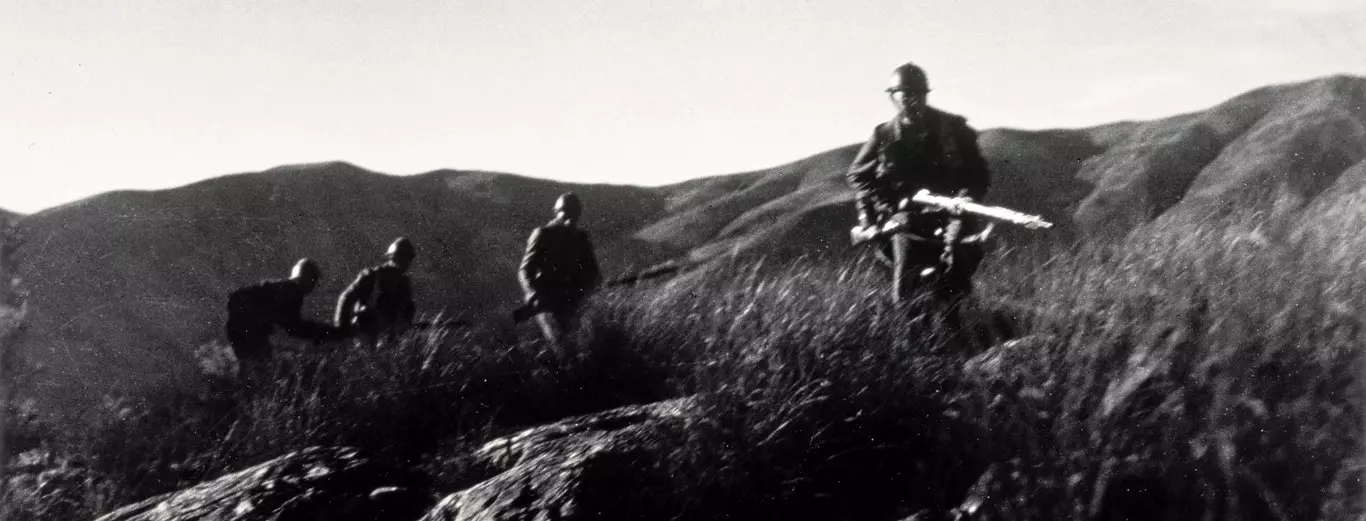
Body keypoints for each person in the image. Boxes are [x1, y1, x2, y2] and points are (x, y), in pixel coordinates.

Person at [846, 62, 993, 304]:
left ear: (925, 95)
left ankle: (961, 323)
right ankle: (907, 330)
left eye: (917, 95)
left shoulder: (954, 129)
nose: (912, 102)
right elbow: (857, 174)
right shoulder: (884, 135)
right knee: (905, 288)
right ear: (894, 98)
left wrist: (966, 197)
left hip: (950, 212)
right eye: (905, 96)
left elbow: (979, 173)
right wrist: (889, 202)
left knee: (957, 268)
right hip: (905, 217)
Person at [225, 258, 336, 383]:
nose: (313, 287)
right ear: (307, 280)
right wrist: (329, 333)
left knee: (251, 367)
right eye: (313, 281)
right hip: (248, 331)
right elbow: (295, 329)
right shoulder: (292, 293)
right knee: (260, 369)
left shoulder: (282, 288)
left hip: (239, 328)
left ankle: (236, 392)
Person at [517, 193, 602, 345]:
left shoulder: (581, 238)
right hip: (547, 301)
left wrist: (588, 289)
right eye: (566, 211)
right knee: (561, 345)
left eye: (574, 212)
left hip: (574, 301)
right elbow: (525, 270)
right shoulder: (543, 235)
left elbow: (593, 271)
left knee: (583, 345)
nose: (570, 216)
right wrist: (532, 293)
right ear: (556, 212)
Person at [334, 237, 417, 343]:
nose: (407, 262)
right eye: (404, 257)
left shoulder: (404, 283)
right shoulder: (372, 276)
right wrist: (342, 330)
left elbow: (408, 310)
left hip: (388, 338)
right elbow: (346, 298)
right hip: (365, 334)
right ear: (394, 257)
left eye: (409, 258)